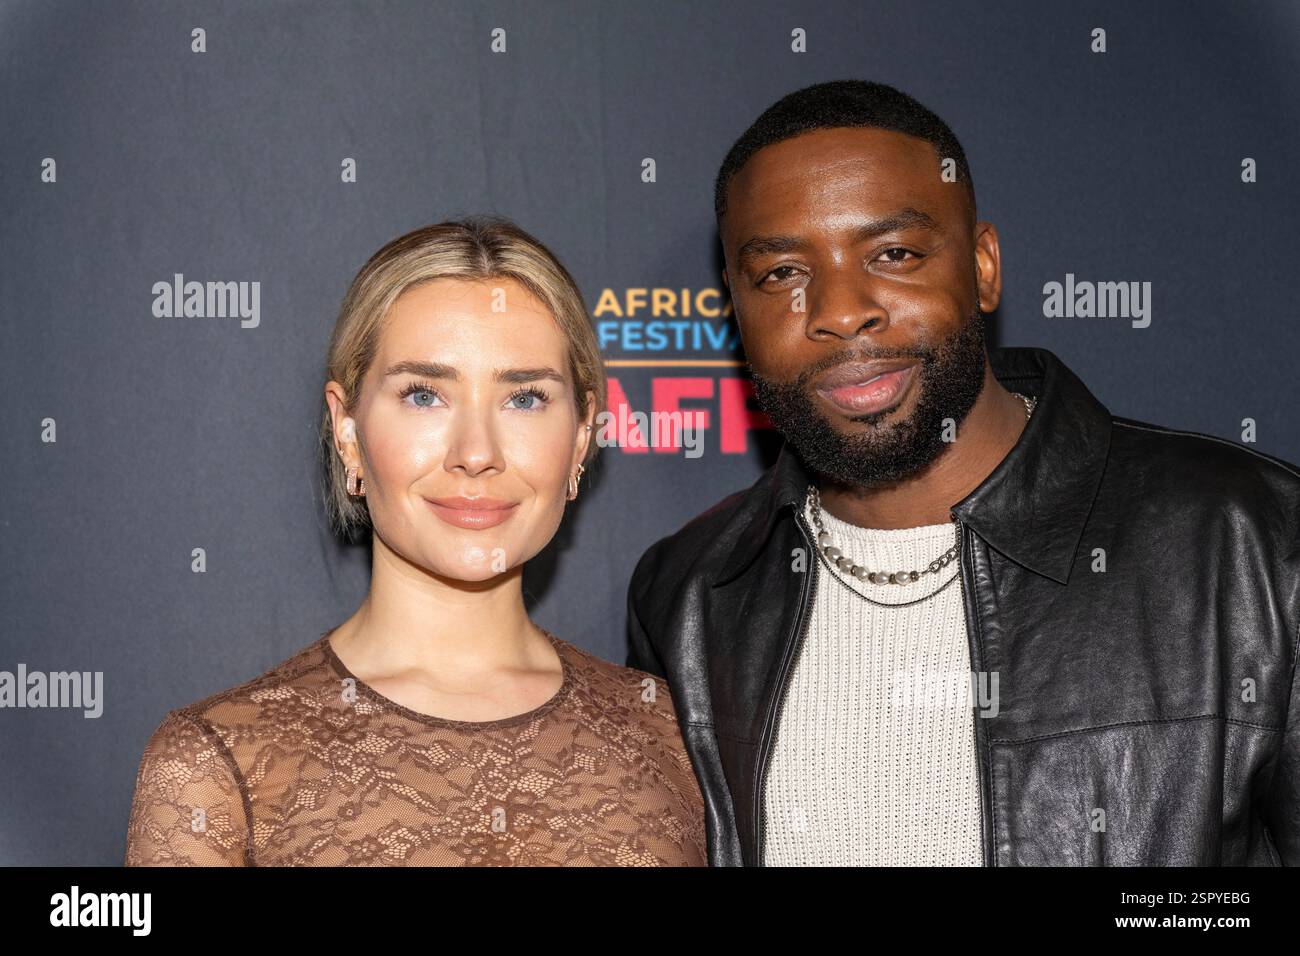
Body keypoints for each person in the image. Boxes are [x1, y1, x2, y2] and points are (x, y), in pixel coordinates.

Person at [626, 79, 1300, 866]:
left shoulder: (1253, 544)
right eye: (781, 273)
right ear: (736, 307)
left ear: (983, 268)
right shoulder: (689, 597)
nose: (841, 310)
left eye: (894, 255)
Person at [125, 217, 706, 866]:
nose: (476, 453)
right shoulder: (220, 765)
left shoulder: (677, 737)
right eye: (425, 394)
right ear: (347, 430)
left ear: (579, 438)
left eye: (525, 399)